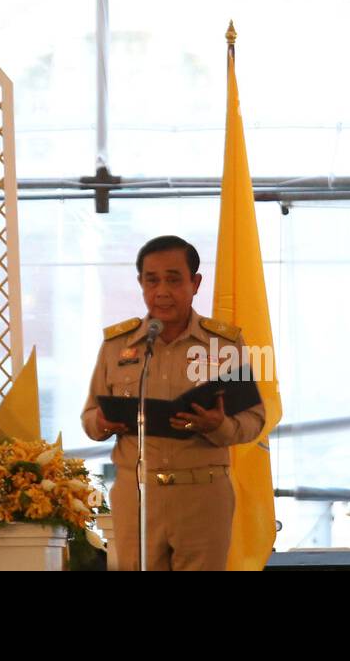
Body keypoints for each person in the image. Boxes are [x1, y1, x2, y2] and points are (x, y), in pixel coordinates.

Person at [81, 235, 265, 571]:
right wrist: (102, 425)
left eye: (173, 279)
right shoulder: (117, 344)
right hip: (137, 495)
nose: (162, 291)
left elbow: (255, 418)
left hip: (203, 495)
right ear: (141, 284)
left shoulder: (223, 343)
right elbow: (90, 416)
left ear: (195, 283)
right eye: (152, 280)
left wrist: (219, 426)